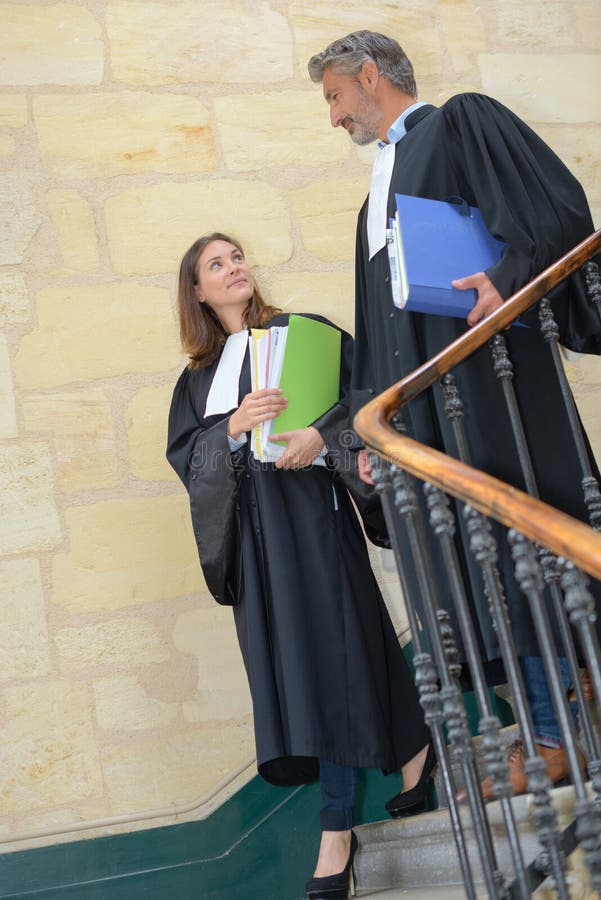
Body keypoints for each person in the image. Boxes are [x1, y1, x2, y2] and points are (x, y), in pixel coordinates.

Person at [308, 31, 601, 800]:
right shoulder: (371, 198)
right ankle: (550, 717)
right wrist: (367, 429)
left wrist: (505, 279)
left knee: (522, 551)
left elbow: (557, 214)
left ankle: (557, 728)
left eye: (335, 96)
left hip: (493, 396)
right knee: (471, 574)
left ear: (369, 77)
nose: (333, 116)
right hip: (425, 419)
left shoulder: (461, 121)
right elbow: (377, 331)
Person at [166, 232, 433, 900]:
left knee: (330, 658)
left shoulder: (302, 332)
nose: (234, 269)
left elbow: (363, 395)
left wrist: (321, 434)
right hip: (253, 542)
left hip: (312, 516)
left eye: (237, 258)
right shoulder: (195, 380)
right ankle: (415, 751)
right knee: (326, 655)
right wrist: (228, 429)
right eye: (216, 265)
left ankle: (335, 831)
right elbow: (187, 459)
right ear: (196, 291)